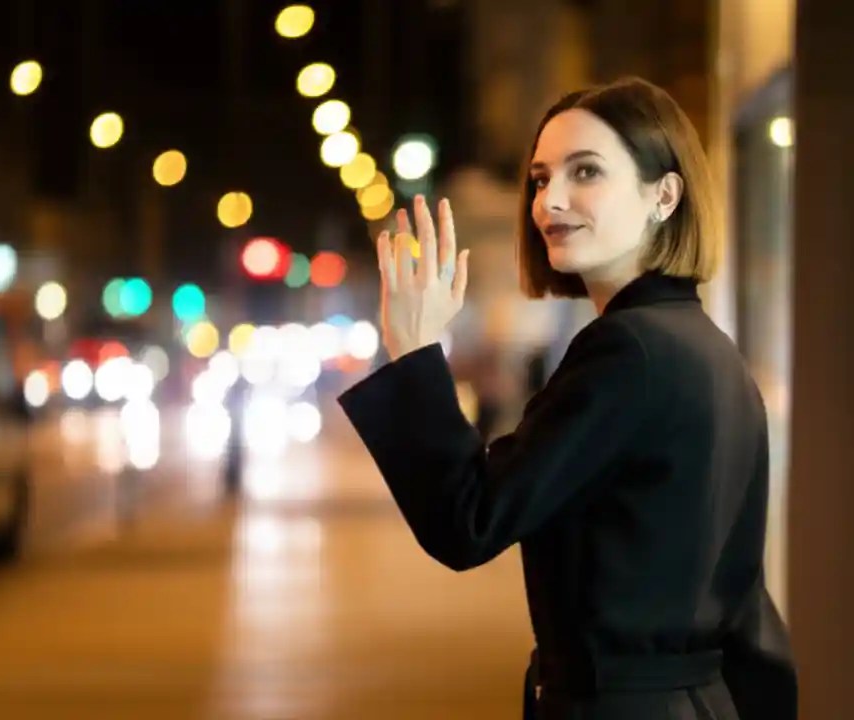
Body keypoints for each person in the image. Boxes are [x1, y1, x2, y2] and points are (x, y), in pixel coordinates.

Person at [338, 76, 796, 719]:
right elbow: (748, 611)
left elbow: (469, 522)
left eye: (586, 172)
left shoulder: (626, 352)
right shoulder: (709, 351)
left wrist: (414, 350)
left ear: (664, 195)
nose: (551, 200)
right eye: (540, 177)